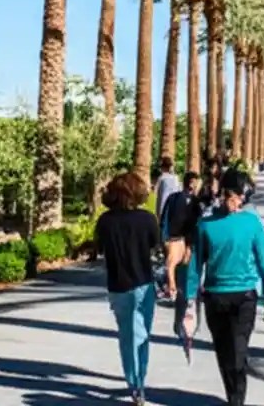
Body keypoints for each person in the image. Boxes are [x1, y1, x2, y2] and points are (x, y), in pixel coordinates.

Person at [184, 170, 264, 406]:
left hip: (244, 296)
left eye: (242, 198)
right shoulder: (205, 225)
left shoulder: (252, 222)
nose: (240, 202)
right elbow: (195, 264)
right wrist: (189, 300)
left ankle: (237, 401)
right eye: (237, 197)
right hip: (215, 298)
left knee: (238, 353)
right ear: (225, 194)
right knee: (224, 353)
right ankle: (232, 396)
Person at [96, 173, 160, 405]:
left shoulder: (105, 221)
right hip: (143, 282)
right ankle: (139, 382)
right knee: (142, 335)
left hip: (118, 285)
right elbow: (156, 246)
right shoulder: (147, 219)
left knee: (127, 336)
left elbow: (100, 249)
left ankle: (133, 383)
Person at [162, 170, 203, 352]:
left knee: (186, 276)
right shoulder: (173, 199)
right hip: (174, 239)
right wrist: (164, 239)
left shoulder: (197, 203)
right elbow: (164, 218)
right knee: (171, 268)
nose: (192, 186)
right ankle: (172, 289)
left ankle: (186, 311)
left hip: (188, 243)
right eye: (191, 182)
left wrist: (190, 246)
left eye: (195, 183)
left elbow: (197, 225)